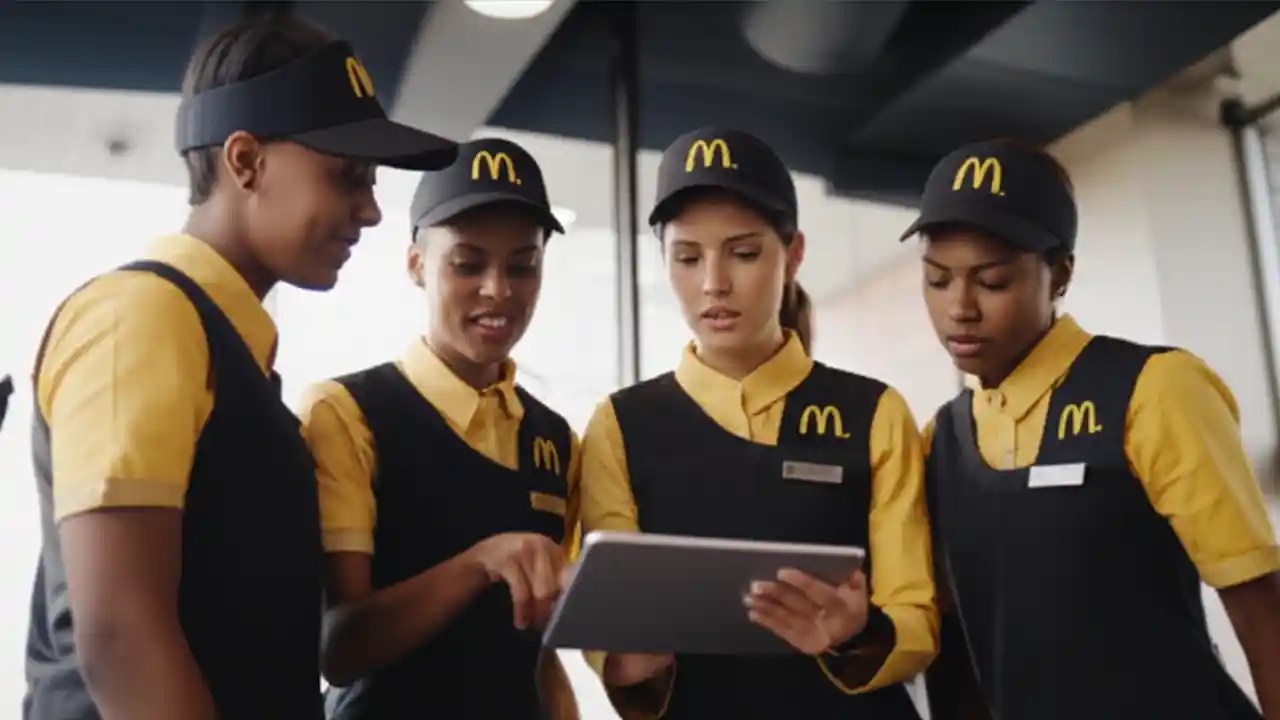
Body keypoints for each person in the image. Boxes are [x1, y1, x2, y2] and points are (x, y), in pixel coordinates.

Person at [23, 15, 457, 720]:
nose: (373, 211)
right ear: (245, 161)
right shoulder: (144, 317)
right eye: (347, 176)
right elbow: (121, 640)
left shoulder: (228, 350)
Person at [905, 138, 1280, 720]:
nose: (960, 308)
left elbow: (1259, 608)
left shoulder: (1155, 389)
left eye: (993, 281)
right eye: (937, 280)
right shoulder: (941, 440)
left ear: (1060, 275)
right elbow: (956, 645)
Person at [579, 126, 938, 719]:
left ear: (793, 254)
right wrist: (621, 656)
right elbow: (618, 631)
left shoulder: (872, 413)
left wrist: (859, 631)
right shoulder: (619, 426)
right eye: (688, 257)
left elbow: (916, 616)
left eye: (744, 253)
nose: (714, 283)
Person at [299, 137, 580, 720]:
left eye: (522, 265)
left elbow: (538, 651)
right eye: (468, 263)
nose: (498, 290)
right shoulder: (346, 414)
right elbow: (340, 647)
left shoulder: (555, 441)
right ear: (416, 265)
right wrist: (479, 564)